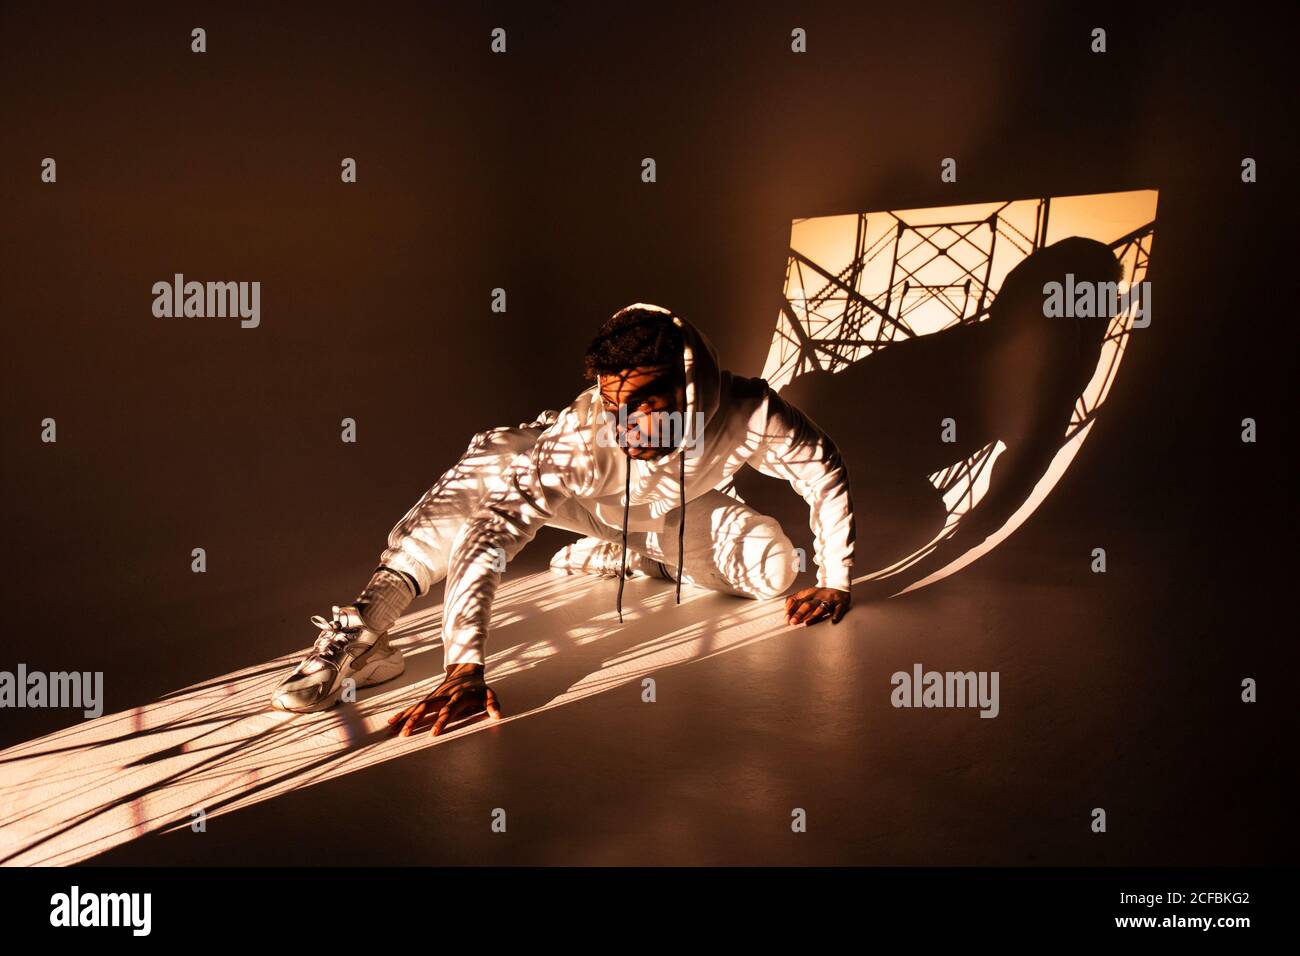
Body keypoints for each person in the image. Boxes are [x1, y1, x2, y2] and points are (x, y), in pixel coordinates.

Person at [269, 303, 856, 735]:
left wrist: (835, 578)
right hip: (580, 498)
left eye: (643, 405)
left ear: (691, 387)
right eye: (611, 405)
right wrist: (465, 665)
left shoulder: (751, 410)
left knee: (776, 568)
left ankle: (633, 558)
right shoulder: (580, 439)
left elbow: (822, 471)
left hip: (661, 514)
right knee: (494, 463)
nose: (625, 425)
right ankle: (367, 631)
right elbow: (490, 534)